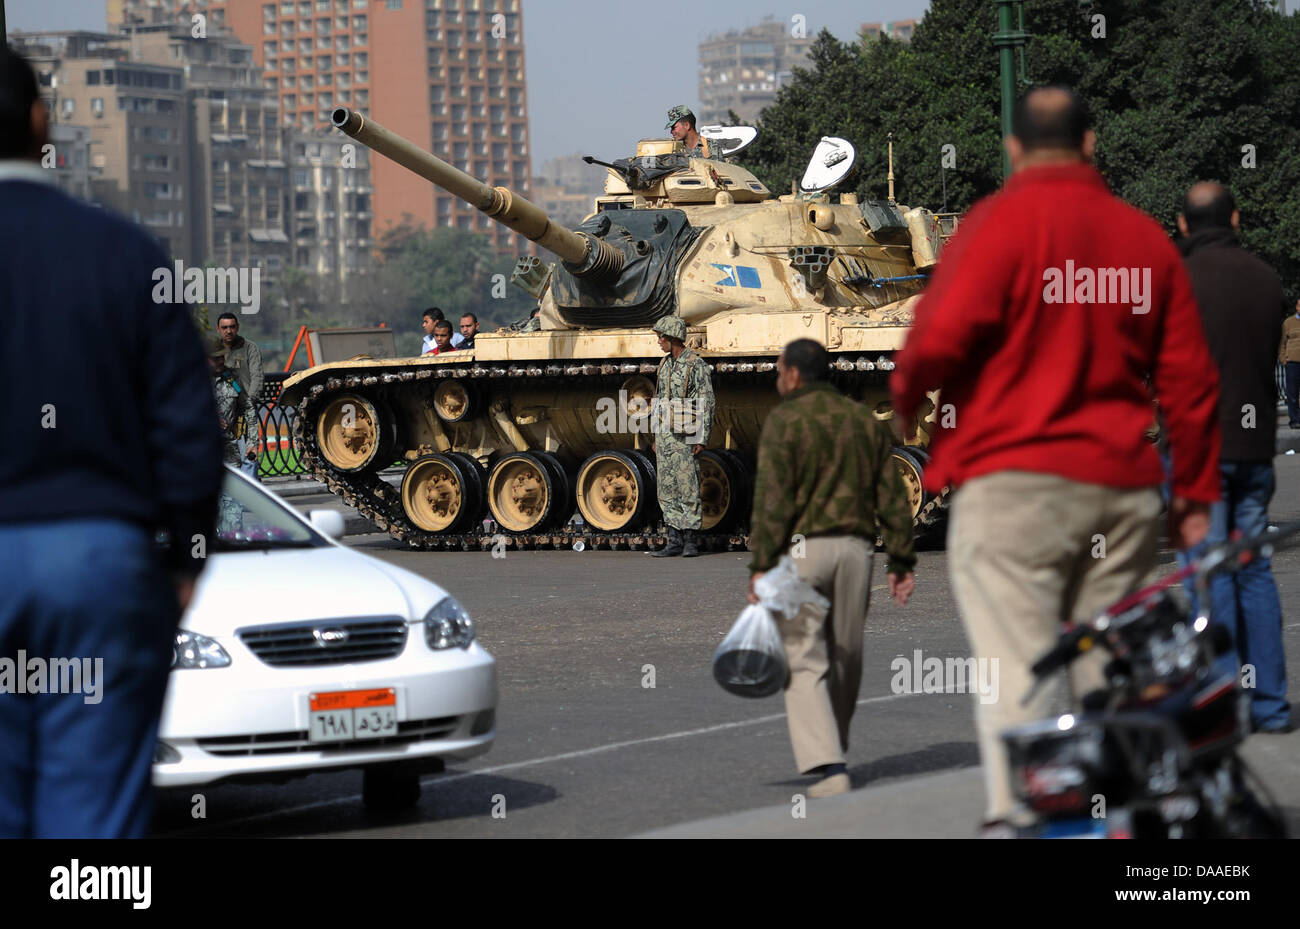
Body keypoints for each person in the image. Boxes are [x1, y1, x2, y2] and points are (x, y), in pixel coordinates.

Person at [890, 86, 1221, 831]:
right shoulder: (1141, 240)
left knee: (1019, 666)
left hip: (1011, 491)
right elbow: (1191, 384)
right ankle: (1121, 819)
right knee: (1112, 669)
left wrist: (908, 397)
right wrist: (1195, 498)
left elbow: (936, 335)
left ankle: (1027, 817)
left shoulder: (992, 227)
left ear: (1013, 149)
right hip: (1122, 491)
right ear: (1092, 144)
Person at [0, 47, 224, 839]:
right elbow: (190, 428)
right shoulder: (123, 251)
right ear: (41, 121)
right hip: (99, 564)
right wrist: (187, 556)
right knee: (91, 826)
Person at [747, 339, 916, 798]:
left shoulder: (785, 420)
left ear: (795, 375)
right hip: (856, 553)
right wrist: (900, 559)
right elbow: (892, 495)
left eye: (780, 370)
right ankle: (835, 746)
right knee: (847, 654)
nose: (778, 377)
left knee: (803, 658)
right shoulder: (863, 420)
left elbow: (772, 499)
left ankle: (830, 765)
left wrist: (761, 565)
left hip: (803, 554)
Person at [1178, 181, 1291, 734]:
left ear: (1181, 225)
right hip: (1253, 447)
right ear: (1237, 219)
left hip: (1199, 450)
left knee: (1207, 574)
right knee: (1254, 572)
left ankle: (1221, 703)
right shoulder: (1267, 281)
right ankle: (1269, 704)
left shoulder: (1178, 282)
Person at [649, 315, 714, 557]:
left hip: (686, 433)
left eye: (661, 337)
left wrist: (701, 437)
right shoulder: (664, 365)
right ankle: (674, 539)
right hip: (665, 435)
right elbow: (658, 402)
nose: (659, 342)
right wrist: (655, 436)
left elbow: (707, 401)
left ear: (673, 337)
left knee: (688, 486)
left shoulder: (695, 365)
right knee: (667, 488)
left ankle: (690, 541)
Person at [217, 312, 262, 481]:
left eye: (232, 327)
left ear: (237, 328)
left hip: (242, 411)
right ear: (218, 329)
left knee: (248, 457)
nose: (228, 331)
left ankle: (249, 497)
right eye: (224, 327)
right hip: (218, 416)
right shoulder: (214, 352)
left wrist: (247, 403)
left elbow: (257, 377)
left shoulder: (250, 348)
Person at [1280, 298, 1300, 429]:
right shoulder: (1288, 323)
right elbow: (1281, 343)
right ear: (1297, 307)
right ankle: (1295, 420)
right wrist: (1283, 359)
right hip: (1292, 363)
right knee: (1292, 394)